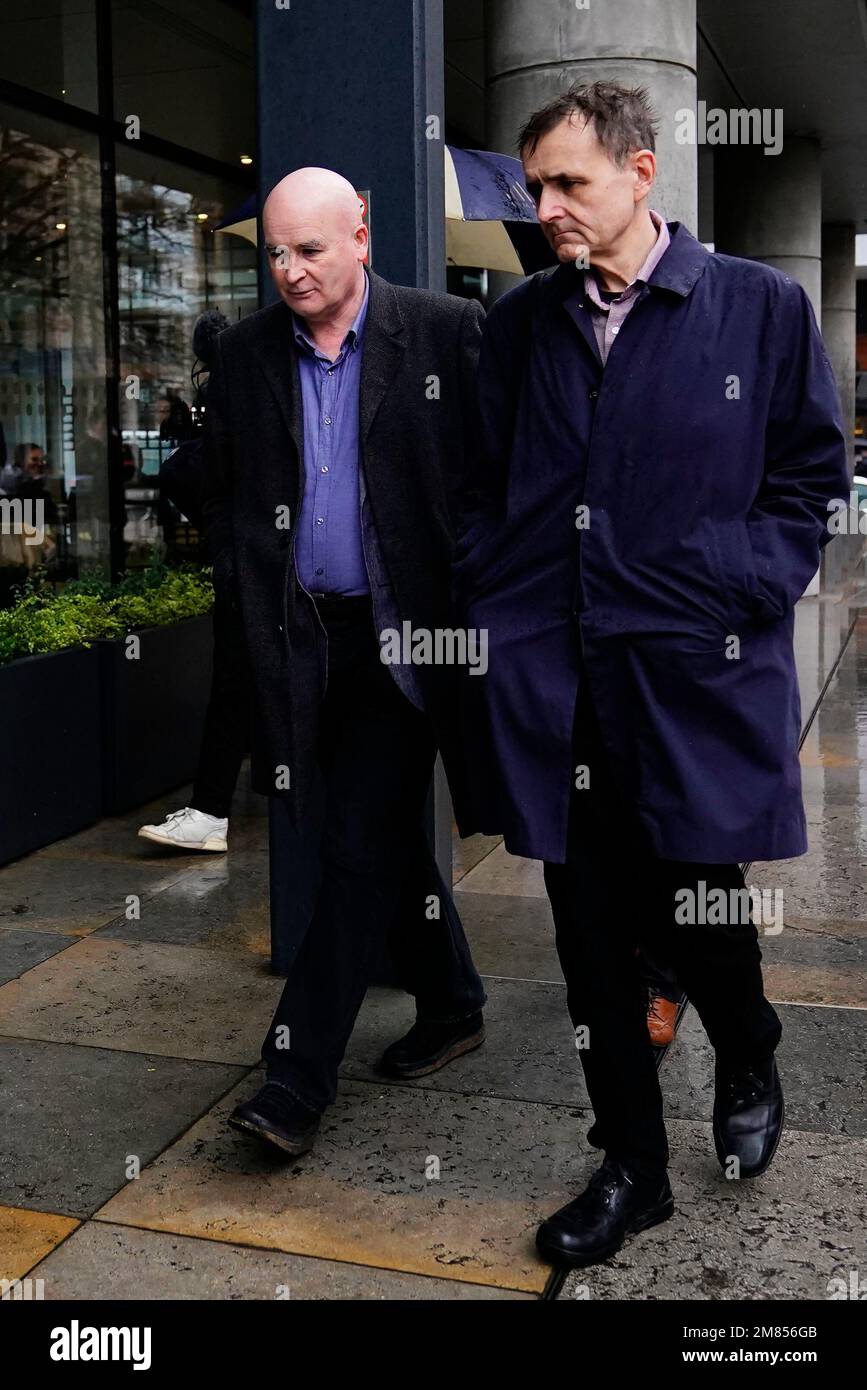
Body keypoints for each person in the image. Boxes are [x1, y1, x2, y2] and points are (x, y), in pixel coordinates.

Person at [454, 81, 849, 1268]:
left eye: (569, 181)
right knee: (587, 931)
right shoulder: (522, 324)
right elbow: (483, 486)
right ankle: (634, 1161)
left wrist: (737, 580)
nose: (548, 206)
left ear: (641, 173)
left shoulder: (761, 309)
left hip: (693, 676)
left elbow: (808, 482)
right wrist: (501, 603)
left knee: (700, 902)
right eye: (536, 186)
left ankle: (751, 1038)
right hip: (560, 683)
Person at [201, 167, 488, 1156]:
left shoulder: (446, 331)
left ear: (361, 233)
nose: (287, 271)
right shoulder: (243, 355)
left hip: (404, 638)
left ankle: (293, 1081)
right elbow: (236, 501)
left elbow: (490, 486)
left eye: (309, 250)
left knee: (353, 846)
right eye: (274, 252)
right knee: (379, 840)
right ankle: (451, 999)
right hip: (300, 641)